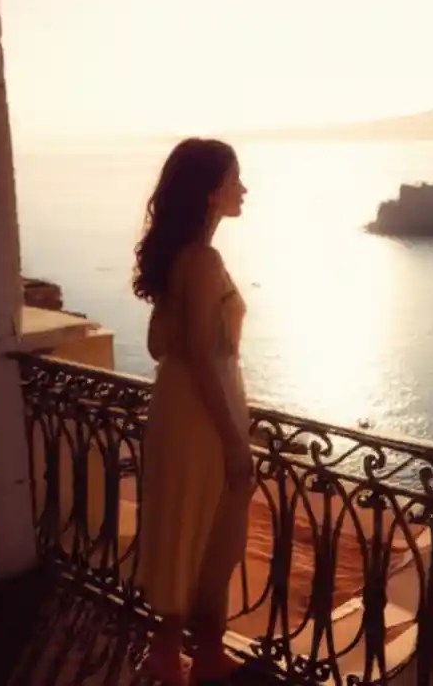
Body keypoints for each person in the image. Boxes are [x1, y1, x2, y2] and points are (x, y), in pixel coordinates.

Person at [132, 138, 253, 684]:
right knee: (207, 534)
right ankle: (186, 655)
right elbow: (204, 355)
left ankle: (188, 653)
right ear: (210, 193)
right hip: (201, 420)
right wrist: (233, 440)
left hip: (183, 409)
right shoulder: (202, 261)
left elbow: (162, 345)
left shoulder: (182, 257)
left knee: (190, 530)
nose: (243, 189)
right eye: (234, 179)